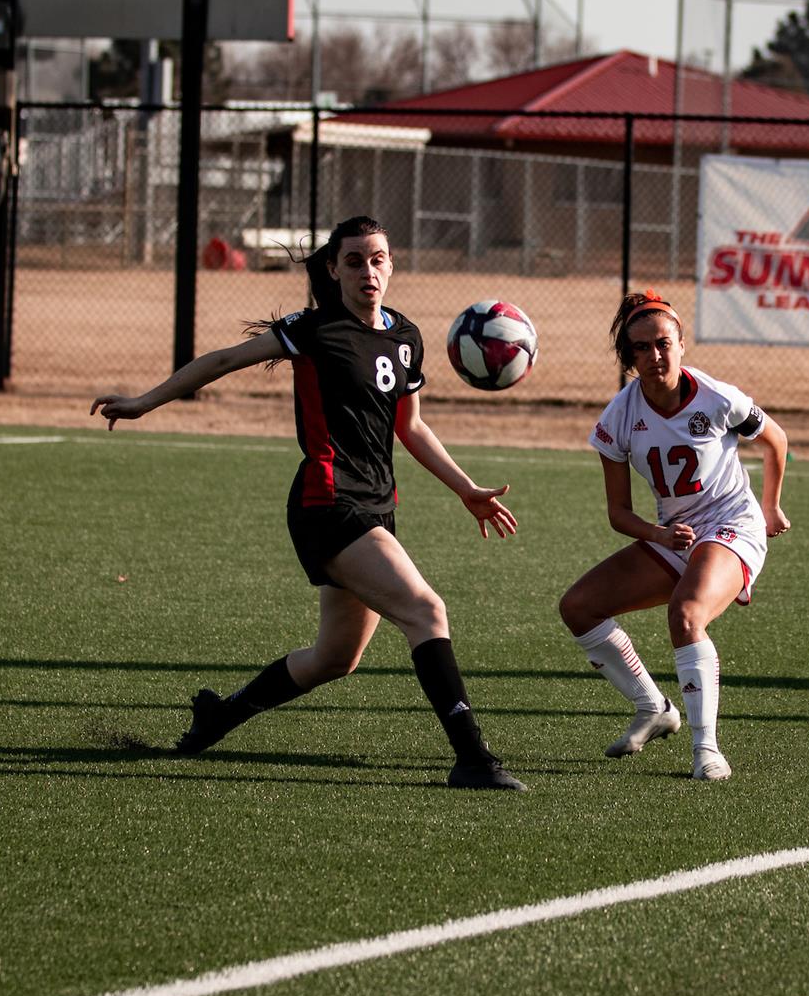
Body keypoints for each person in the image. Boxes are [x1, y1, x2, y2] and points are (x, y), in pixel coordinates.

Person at [89, 215, 527, 789]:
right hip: (326, 502)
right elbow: (223, 360)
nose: (368, 271)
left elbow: (411, 428)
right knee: (427, 610)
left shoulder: (406, 336)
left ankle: (222, 714)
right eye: (354, 261)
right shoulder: (314, 329)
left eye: (377, 259)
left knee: (334, 658)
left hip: (375, 506)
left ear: (391, 265)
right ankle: (473, 758)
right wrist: (146, 402)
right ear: (332, 268)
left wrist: (465, 489)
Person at [557, 291, 790, 780]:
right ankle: (653, 707)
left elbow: (776, 439)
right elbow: (619, 513)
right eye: (641, 348)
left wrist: (769, 507)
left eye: (663, 343)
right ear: (629, 357)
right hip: (676, 537)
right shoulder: (617, 419)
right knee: (578, 607)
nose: (654, 355)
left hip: (732, 524)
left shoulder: (719, 398)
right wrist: (658, 535)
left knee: (685, 613)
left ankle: (706, 749)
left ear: (682, 344)